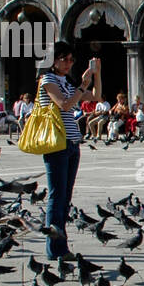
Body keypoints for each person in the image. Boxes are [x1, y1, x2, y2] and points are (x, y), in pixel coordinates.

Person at [37, 41, 94, 258]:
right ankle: (55, 249)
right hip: (57, 144)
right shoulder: (48, 79)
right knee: (56, 196)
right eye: (64, 58)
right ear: (53, 59)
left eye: (71, 59)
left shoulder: (67, 81)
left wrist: (95, 76)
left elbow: (96, 96)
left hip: (72, 144)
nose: (69, 63)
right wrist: (82, 85)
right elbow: (64, 105)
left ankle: (61, 244)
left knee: (65, 197)